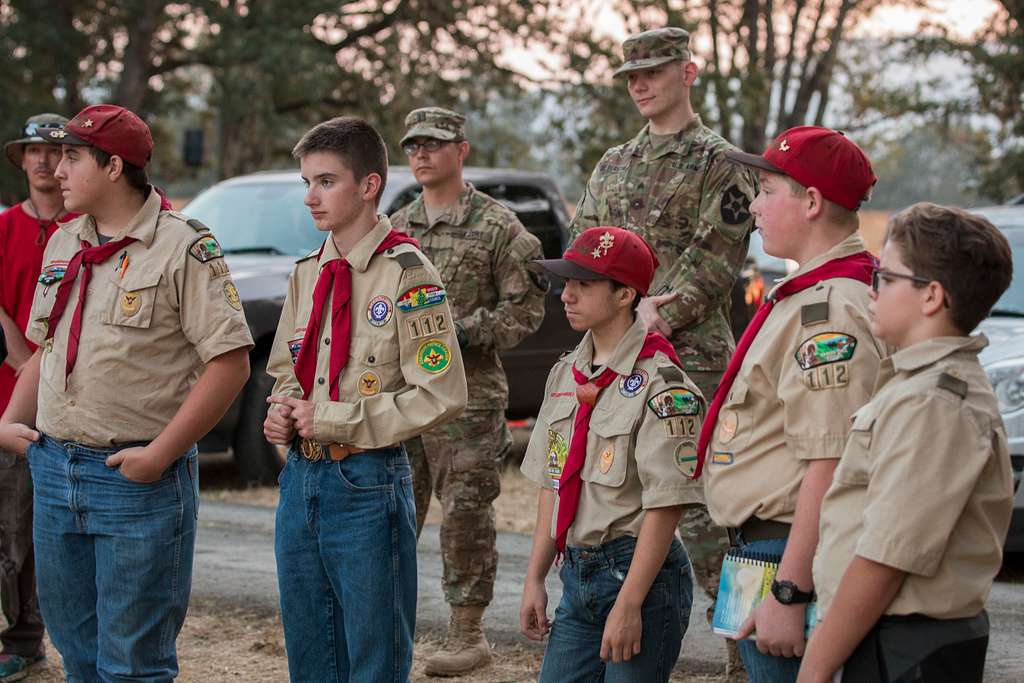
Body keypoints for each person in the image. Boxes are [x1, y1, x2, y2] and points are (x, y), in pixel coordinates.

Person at [0, 103, 254, 680]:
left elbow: (230, 363)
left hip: (134, 478)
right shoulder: (66, 242)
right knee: (76, 651)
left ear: (114, 167)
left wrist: (160, 455)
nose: (56, 170)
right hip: (54, 468)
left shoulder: (183, 245)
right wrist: (12, 422)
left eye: (71, 156)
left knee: (133, 661)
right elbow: (47, 345)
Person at [569, 27, 758, 675]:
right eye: (632, 75)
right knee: (617, 504)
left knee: (715, 516)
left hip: (691, 365)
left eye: (654, 70)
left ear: (690, 71)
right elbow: (582, 254)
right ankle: (614, 636)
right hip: (619, 368)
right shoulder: (613, 163)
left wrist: (651, 319)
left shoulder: (721, 163)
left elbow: (715, 265)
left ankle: (748, 652)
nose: (641, 84)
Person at [264, 116, 468, 682]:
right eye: (306, 181)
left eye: (326, 181)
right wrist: (282, 411)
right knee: (310, 648)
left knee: (373, 653)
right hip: (301, 481)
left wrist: (333, 418)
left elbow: (443, 393)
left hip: (367, 481)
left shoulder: (408, 275)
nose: (310, 197)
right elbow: (287, 367)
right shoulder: (310, 272)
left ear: (370, 185)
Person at [697, 125, 886, 682]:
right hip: (762, 542)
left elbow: (829, 460)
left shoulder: (830, 311)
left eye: (765, 189)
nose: (753, 205)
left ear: (810, 202)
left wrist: (790, 589)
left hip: (786, 548)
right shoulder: (809, 292)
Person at [798, 203, 1015, 683]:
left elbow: (883, 561)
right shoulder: (914, 384)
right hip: (888, 641)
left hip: (908, 648)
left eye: (885, 276)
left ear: (931, 296)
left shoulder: (934, 402)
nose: (873, 288)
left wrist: (813, 672)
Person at [389, 106, 547, 676]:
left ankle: (466, 633)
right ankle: (386, 626)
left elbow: (526, 310)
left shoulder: (499, 226)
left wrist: (463, 332)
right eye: (413, 146)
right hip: (402, 396)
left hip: (468, 395)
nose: (422, 154)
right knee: (392, 512)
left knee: (465, 516)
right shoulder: (398, 226)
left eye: (435, 143)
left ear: (462, 150)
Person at [518, 226, 703, 683]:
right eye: (567, 282)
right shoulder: (567, 374)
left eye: (584, 284)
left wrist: (630, 603)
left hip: (639, 575)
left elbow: (666, 504)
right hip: (578, 576)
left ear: (624, 295)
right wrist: (535, 577)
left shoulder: (664, 385)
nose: (566, 295)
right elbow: (554, 480)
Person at [0, 112, 75, 682]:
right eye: (35, 151)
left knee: (35, 524)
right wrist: (25, 363)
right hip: (11, 395)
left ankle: (31, 636)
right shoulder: (5, 228)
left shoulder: (86, 227)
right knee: (7, 520)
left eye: (59, 151)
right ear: (22, 159)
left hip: (70, 402)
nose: (46, 161)